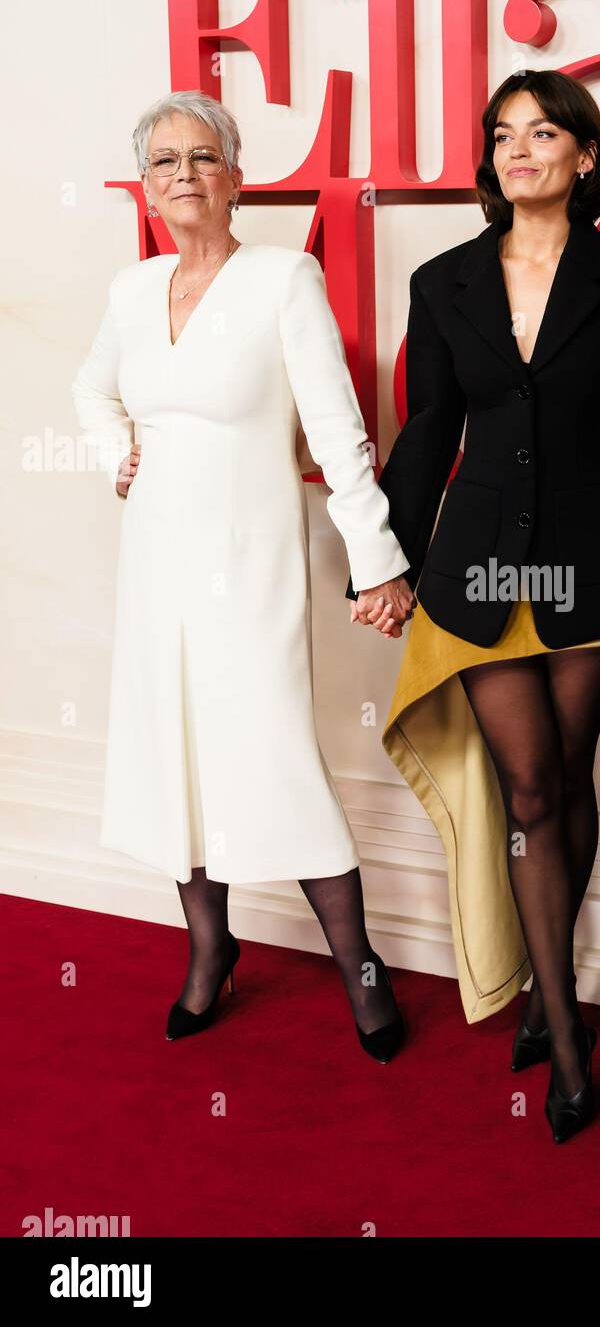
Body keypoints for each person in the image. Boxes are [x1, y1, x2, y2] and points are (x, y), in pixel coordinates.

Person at [72, 90, 414, 1061]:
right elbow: (89, 388)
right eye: (164, 161)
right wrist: (114, 451)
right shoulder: (130, 293)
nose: (183, 174)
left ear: (236, 175)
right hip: (155, 571)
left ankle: (359, 964)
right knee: (172, 755)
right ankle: (209, 947)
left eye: (202, 157)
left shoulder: (281, 279)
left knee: (271, 755)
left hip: (249, 568)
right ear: (146, 186)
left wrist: (376, 561)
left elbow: (341, 433)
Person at [346, 70, 600, 1142]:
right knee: (527, 787)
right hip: (476, 570)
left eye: (542, 132)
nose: (517, 148)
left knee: (566, 779)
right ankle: (562, 1026)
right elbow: (428, 431)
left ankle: (545, 986)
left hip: (593, 564)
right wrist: (382, 563)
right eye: (500, 134)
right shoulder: (443, 282)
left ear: (581, 155)